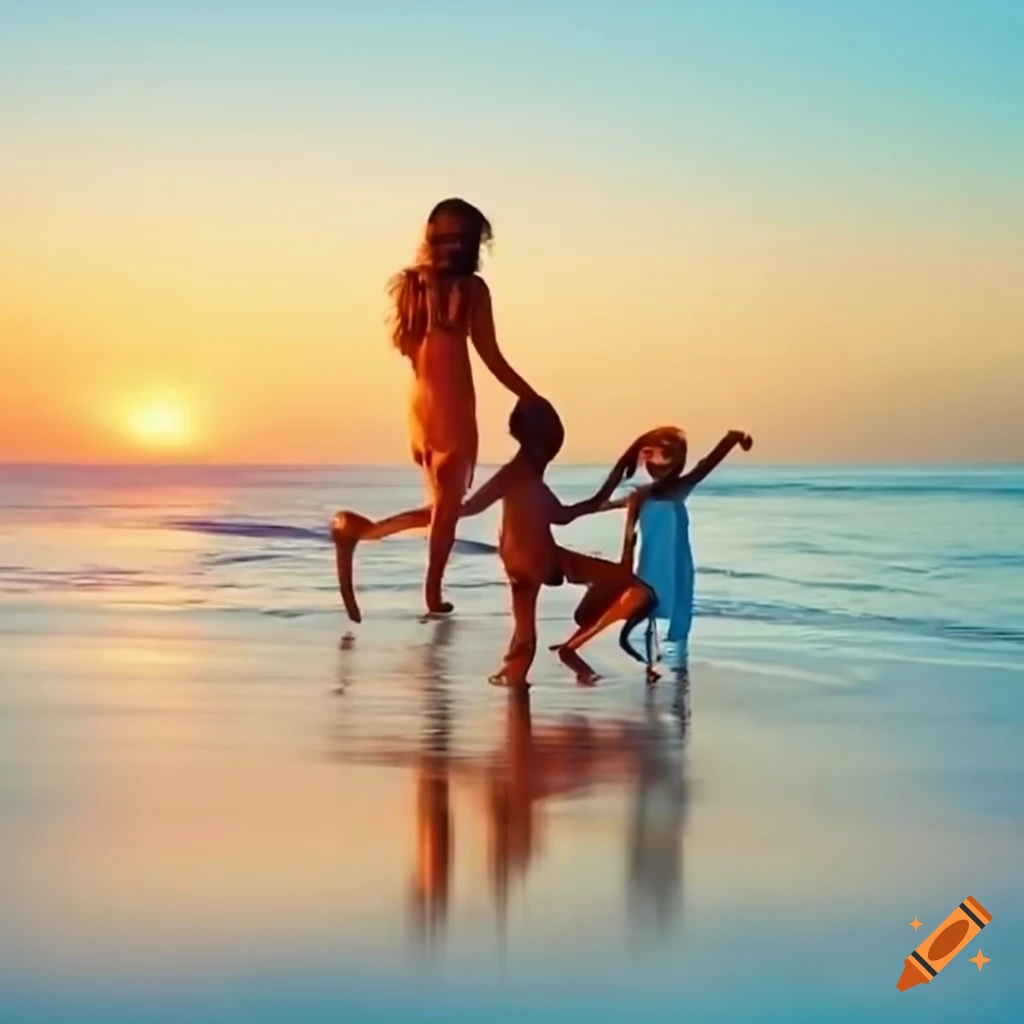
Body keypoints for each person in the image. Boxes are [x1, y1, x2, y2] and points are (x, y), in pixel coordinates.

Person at [333, 398, 656, 687]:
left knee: (625, 587)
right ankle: (527, 668)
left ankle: (551, 654)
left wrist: (611, 496)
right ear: (543, 444)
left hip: (545, 557)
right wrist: (383, 528)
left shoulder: (528, 475)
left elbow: (561, 515)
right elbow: (468, 509)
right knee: (529, 631)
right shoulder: (515, 475)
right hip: (527, 563)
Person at [385, 198, 537, 616]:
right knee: (448, 510)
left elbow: (409, 351)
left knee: (443, 508)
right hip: (451, 409)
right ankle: (432, 592)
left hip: (419, 409)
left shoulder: (412, 284)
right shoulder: (469, 290)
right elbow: (490, 356)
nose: (453, 247)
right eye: (447, 239)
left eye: (460, 240)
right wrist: (530, 395)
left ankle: (366, 533)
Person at [568, 427, 753, 673]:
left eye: (653, 454)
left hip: (674, 560)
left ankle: (658, 658)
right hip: (650, 560)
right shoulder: (643, 495)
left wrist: (732, 439)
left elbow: (707, 465)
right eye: (645, 454)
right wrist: (583, 510)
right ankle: (639, 655)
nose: (646, 461)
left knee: (669, 598)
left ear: (671, 457)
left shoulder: (677, 488)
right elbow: (617, 513)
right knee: (646, 602)